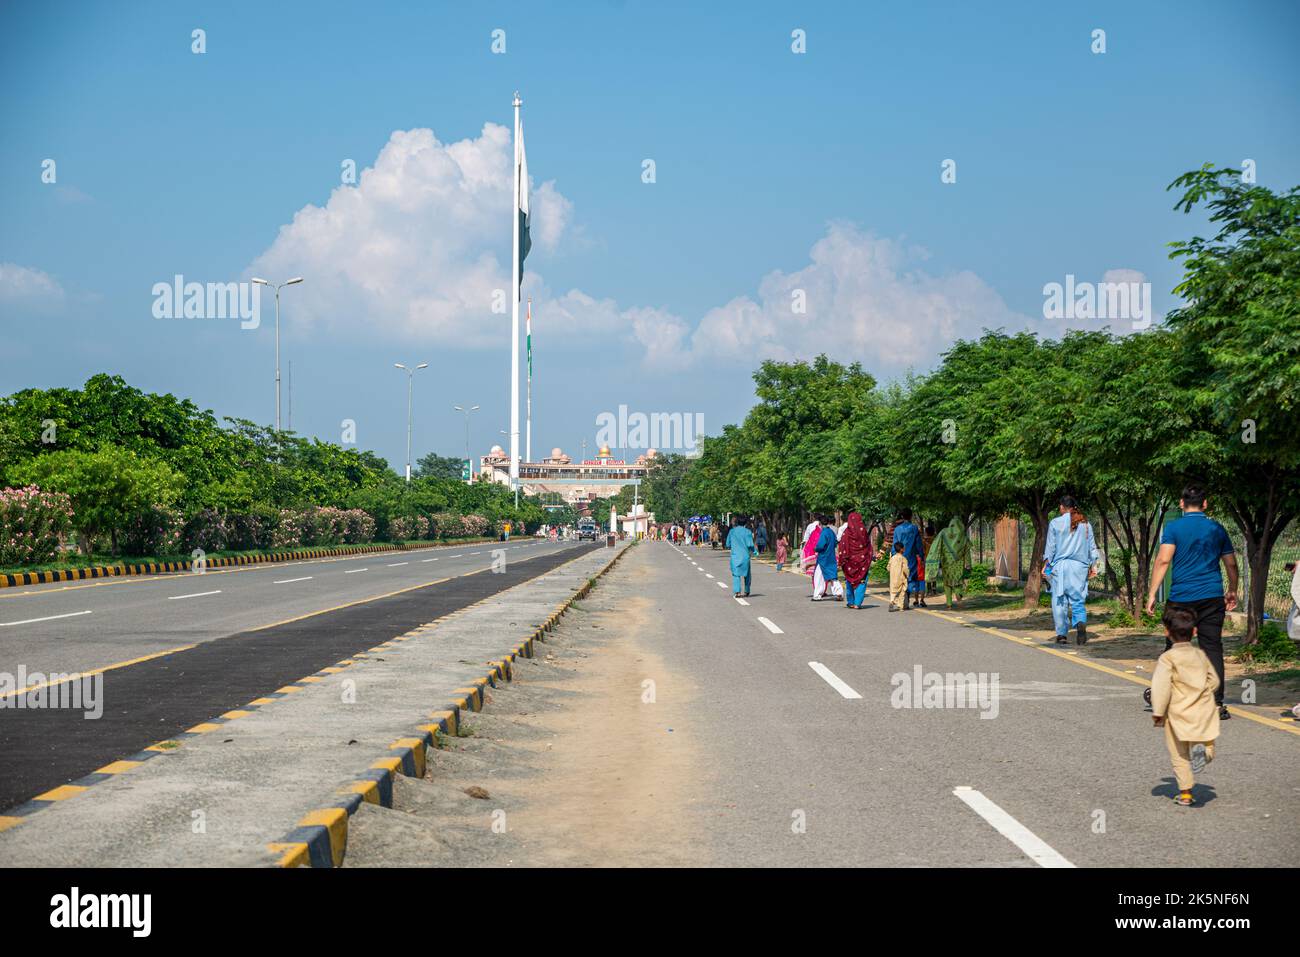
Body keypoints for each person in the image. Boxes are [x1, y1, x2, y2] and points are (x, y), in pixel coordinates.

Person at [1145, 484, 1239, 721]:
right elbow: (1231, 564)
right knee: (1212, 647)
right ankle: (1216, 703)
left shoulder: (1174, 527)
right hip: (1211, 596)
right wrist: (1233, 590)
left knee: (1174, 647)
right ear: (1205, 504)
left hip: (1181, 599)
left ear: (1181, 503)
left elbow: (1163, 560)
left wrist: (1152, 593)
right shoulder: (1217, 529)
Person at [1151, 604, 1220, 807]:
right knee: (1206, 742)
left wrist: (1158, 711)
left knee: (1179, 754)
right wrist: (1203, 691)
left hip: (1178, 712)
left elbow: (1161, 687)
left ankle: (1186, 793)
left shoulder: (1168, 658)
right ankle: (1205, 754)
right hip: (1204, 709)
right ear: (1195, 631)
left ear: (1167, 632)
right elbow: (1214, 680)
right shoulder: (1200, 655)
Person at [1043, 495, 1101, 645]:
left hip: (1060, 567)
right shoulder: (1086, 524)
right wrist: (1095, 567)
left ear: (1062, 507)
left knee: (1059, 601)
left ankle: (1062, 635)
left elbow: (1050, 549)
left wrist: (1047, 568)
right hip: (1079, 568)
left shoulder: (1055, 523)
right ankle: (1080, 622)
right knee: (1078, 600)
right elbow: (1092, 548)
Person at [926, 516, 971, 609]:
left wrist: (933, 559)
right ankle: (959, 597)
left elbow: (936, 545)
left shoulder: (943, 533)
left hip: (946, 562)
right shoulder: (963, 536)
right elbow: (967, 552)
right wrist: (968, 564)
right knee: (957, 582)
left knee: (947, 583)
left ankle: (949, 604)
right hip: (958, 563)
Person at [838, 511, 873, 609]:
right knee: (862, 580)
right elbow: (868, 546)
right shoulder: (863, 532)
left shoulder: (846, 533)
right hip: (862, 562)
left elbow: (842, 547)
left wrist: (842, 560)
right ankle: (857, 603)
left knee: (849, 580)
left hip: (849, 562)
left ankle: (851, 602)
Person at [892, 509, 923, 610]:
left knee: (900, 577)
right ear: (911, 516)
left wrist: (893, 556)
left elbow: (894, 544)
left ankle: (902, 598)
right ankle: (906, 596)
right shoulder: (914, 528)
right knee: (910, 577)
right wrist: (921, 556)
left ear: (902, 517)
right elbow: (918, 544)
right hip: (911, 557)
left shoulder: (897, 529)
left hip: (898, 557)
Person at [728, 514, 757, 598]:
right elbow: (750, 545)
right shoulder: (747, 532)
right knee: (747, 574)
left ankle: (737, 592)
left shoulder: (732, 531)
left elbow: (728, 544)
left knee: (736, 574)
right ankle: (747, 590)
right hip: (745, 556)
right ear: (745, 522)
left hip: (735, 557)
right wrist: (755, 552)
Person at [814, 515, 840, 601]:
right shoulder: (831, 532)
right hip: (831, 557)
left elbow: (820, 545)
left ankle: (817, 595)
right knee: (833, 576)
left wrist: (816, 548)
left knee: (818, 577)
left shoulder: (824, 533)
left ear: (820, 524)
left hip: (823, 558)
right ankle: (838, 592)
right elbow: (836, 542)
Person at [801, 518, 821, 594]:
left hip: (811, 552)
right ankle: (819, 590)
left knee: (814, 572)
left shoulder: (811, 527)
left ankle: (816, 589)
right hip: (820, 553)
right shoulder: (824, 531)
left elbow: (806, 537)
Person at [888, 541, 908, 612]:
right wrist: (908, 575)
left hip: (893, 578)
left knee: (893, 592)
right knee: (902, 592)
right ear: (902, 549)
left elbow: (888, 567)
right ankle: (900, 606)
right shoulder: (903, 559)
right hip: (901, 578)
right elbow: (905, 569)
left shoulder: (892, 558)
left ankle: (891, 601)